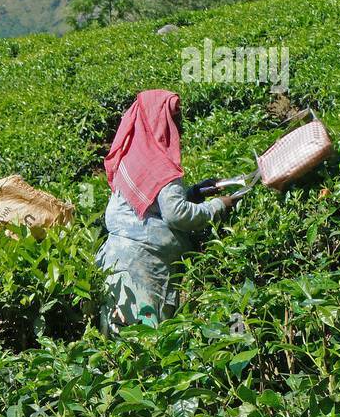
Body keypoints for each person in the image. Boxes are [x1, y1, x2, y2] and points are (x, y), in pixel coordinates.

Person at [96, 90, 240, 335]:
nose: (179, 126)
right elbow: (176, 215)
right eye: (174, 118)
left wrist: (194, 192)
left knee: (117, 338)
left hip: (114, 262)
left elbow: (152, 207)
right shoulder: (160, 165)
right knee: (144, 342)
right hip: (144, 267)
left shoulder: (129, 159)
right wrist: (219, 205)